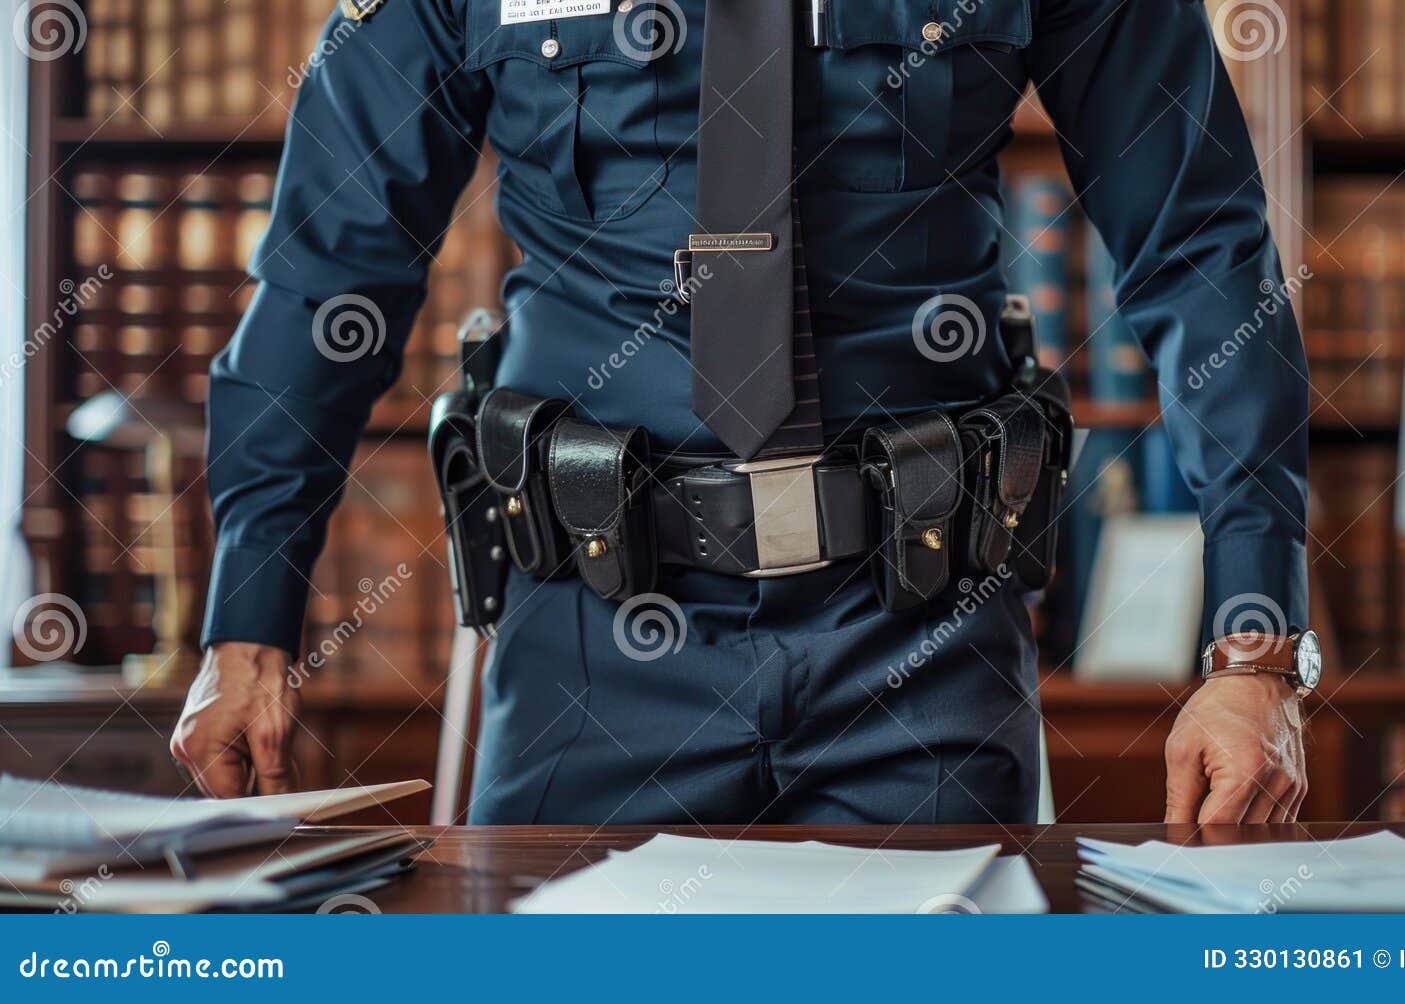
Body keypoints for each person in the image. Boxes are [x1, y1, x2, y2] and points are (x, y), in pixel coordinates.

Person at [172, 0, 1310, 826]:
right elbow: (330, 281)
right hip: (593, 641)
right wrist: (246, 623)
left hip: (921, 635)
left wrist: (1253, 651)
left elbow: (1202, 254)